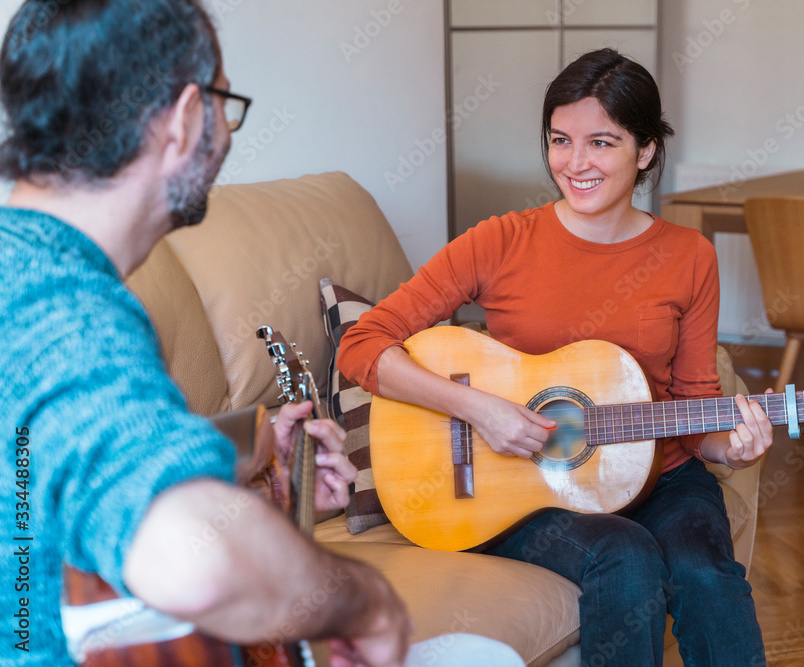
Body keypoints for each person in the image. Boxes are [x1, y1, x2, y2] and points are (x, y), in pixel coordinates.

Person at [0, 2, 524, 666]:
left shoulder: (24, 268)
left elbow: (54, 460)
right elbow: (193, 560)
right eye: (223, 104)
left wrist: (252, 452)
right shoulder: (67, 309)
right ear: (187, 117)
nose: (225, 132)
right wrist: (366, 599)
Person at [338, 48, 773, 666]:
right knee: (624, 556)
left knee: (708, 576)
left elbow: (697, 408)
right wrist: (481, 409)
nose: (575, 163)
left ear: (645, 150)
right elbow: (361, 346)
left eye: (601, 142)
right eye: (560, 140)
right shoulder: (499, 241)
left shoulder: (689, 255)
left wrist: (731, 446)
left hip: (666, 477)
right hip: (524, 483)